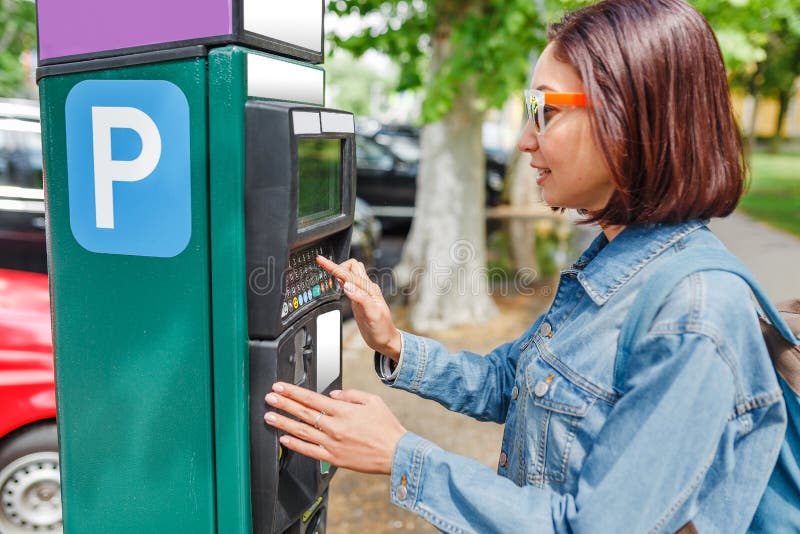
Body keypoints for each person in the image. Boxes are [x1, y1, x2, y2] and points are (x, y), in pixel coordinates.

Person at [263, 0, 787, 531]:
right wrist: (395, 344)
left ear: (630, 113)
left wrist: (402, 455)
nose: (523, 140)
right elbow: (511, 380)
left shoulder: (694, 313)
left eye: (545, 110)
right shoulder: (616, 263)